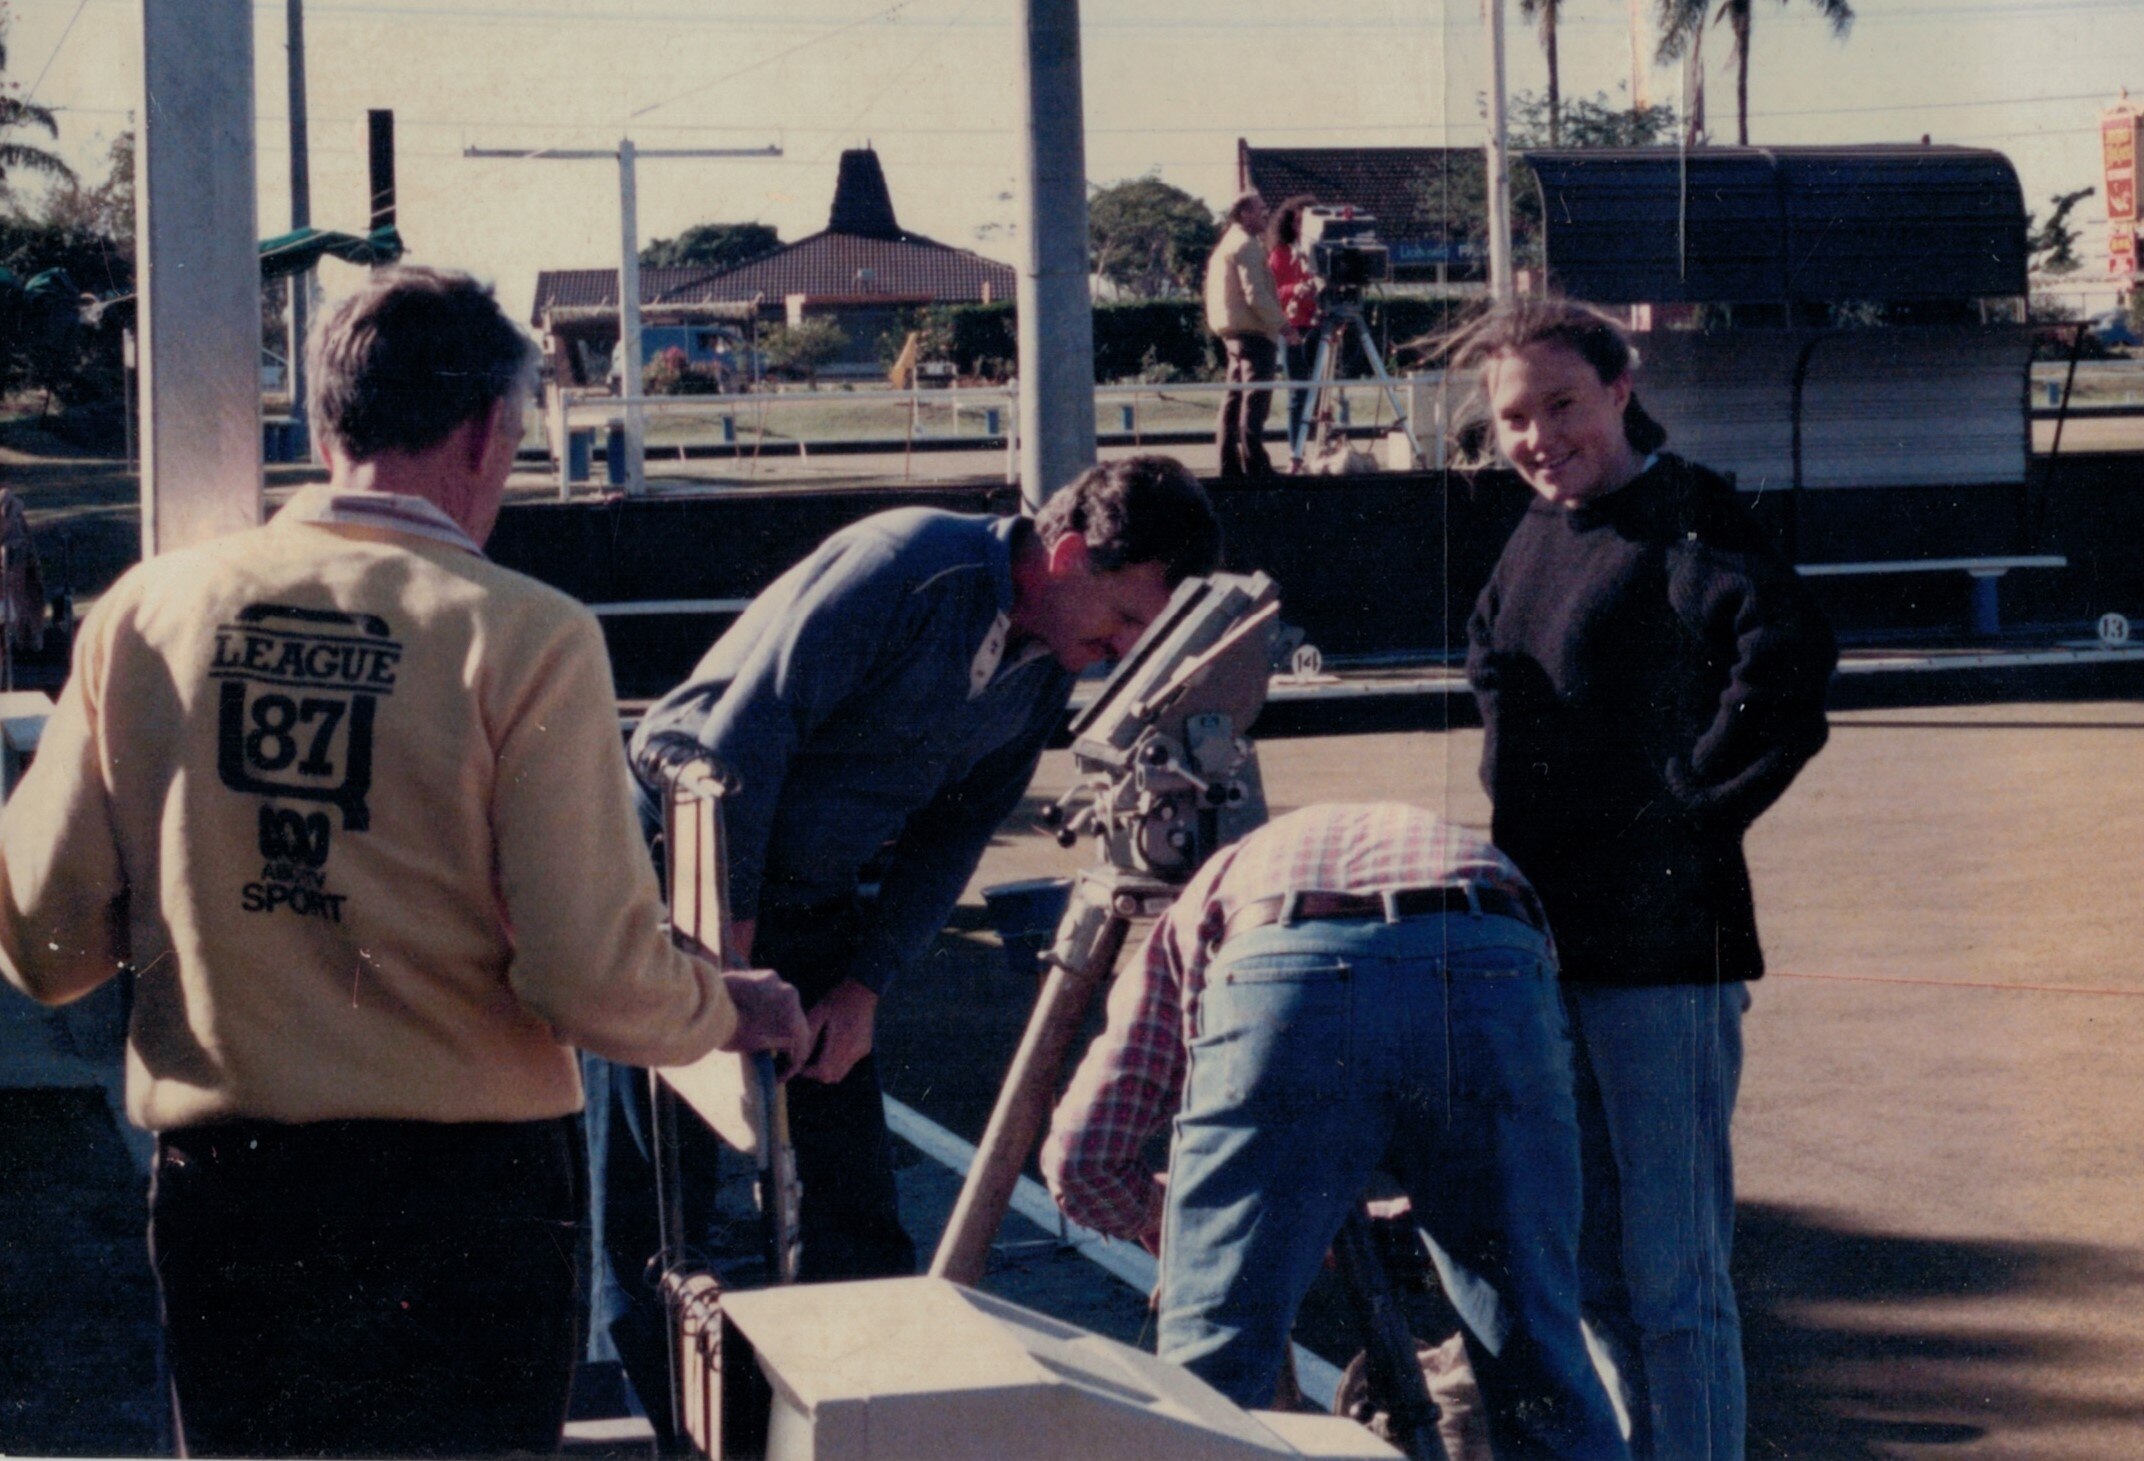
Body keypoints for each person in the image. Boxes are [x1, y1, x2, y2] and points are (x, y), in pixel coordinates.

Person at [0, 266, 811, 1460]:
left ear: (326, 423)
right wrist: (713, 1005)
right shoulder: (527, 635)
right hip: (465, 1206)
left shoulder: (144, 613)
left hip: (230, 1186)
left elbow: (46, 945)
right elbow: (587, 978)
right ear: (488, 429)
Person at [591, 455, 1223, 1434]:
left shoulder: (1041, 666)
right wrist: (725, 973)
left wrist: (863, 986)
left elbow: (953, 834)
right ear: (1061, 555)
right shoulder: (905, 566)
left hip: (800, 896)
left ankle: (843, 1436)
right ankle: (687, 1440)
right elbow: (735, 750)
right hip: (672, 866)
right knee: (663, 1204)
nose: (1118, 649)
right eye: (1125, 619)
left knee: (853, 1209)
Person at [1457, 299, 1837, 1461]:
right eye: (1513, 418)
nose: (1537, 437)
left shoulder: (1693, 521)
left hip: (1664, 961)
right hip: (1545, 955)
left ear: (1619, 387)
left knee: (1674, 1280)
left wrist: (1672, 827)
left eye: (1560, 405)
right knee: (1588, 1269)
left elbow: (1784, 685)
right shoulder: (1528, 538)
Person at [1042, 802, 1628, 1458]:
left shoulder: (1200, 904)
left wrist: (1173, 1214)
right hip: (1490, 944)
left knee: (1211, 1382)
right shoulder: (1451, 851)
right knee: (1542, 1367)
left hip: (1282, 964)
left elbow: (1081, 1158)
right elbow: (1503, 1132)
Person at [1204, 190, 1289, 479]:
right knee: (1255, 399)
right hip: (1252, 332)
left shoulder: (1228, 243)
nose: (1267, 213)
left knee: (1234, 399)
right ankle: (1257, 466)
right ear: (1245, 214)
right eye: (1261, 208)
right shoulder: (1246, 245)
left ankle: (1228, 465)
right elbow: (1257, 295)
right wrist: (1283, 325)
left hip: (1232, 331)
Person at [1266, 195, 1321, 474]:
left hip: (1318, 325)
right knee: (1298, 392)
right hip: (1293, 328)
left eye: (1305, 221)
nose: (1301, 227)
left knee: (1321, 392)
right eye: (1297, 221)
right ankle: (1295, 454)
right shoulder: (1280, 252)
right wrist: (1294, 290)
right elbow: (1272, 291)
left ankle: (1321, 449)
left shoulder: (1319, 250)